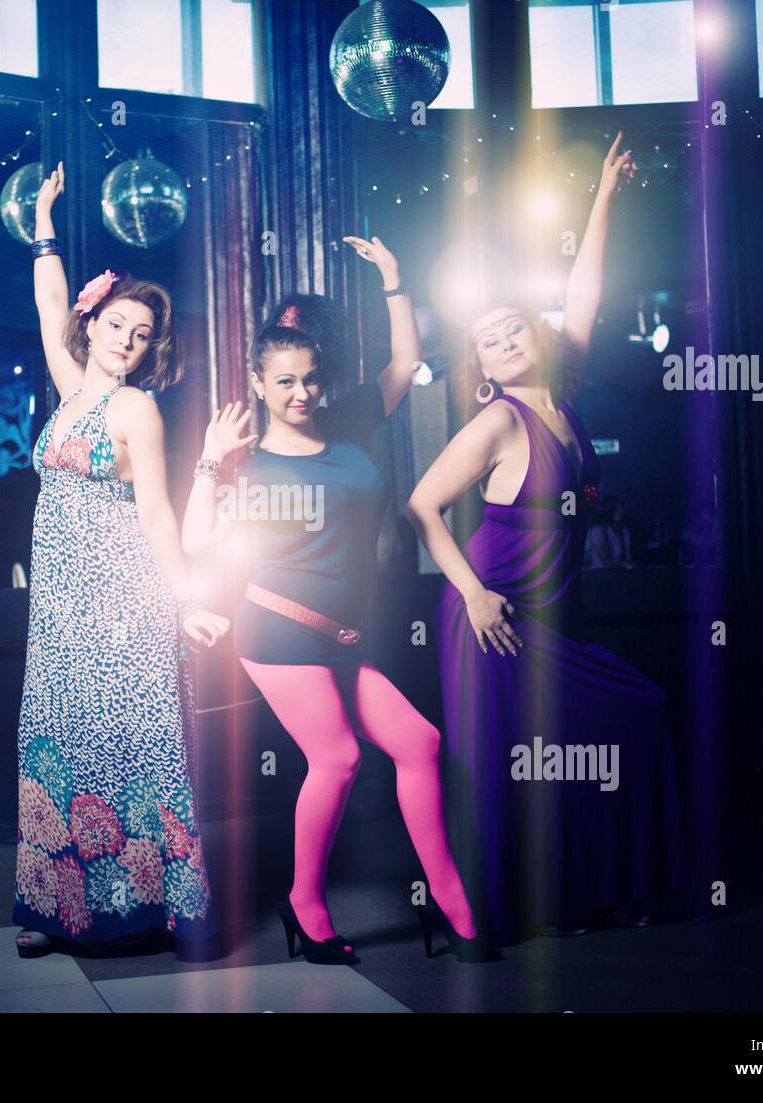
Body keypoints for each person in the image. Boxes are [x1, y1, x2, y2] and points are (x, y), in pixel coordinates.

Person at [405, 133, 685, 944]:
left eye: (513, 327)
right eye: (488, 340)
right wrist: (472, 594)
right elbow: (421, 506)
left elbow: (585, 293)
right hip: (492, 616)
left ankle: (597, 895)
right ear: (484, 370)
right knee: (516, 766)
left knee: (607, 736)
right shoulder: (496, 421)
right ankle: (515, 911)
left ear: (538, 334)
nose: (504, 340)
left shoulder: (568, 400)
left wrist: (604, 196)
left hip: (556, 615)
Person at [182, 238, 492, 964]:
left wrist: (394, 279)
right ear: (259, 384)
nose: (301, 393)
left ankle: (447, 899)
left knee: (420, 742)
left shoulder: (348, 424)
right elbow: (196, 541)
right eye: (285, 382)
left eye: (310, 379)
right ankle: (307, 902)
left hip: (346, 635)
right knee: (340, 756)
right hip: (276, 630)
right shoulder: (249, 465)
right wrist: (208, 460)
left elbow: (405, 365)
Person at [13, 163, 229, 959]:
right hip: (59, 608)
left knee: (133, 749)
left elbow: (158, 515)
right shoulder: (71, 391)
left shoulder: (136, 408)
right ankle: (59, 907)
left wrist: (186, 600)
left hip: (120, 604)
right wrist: (43, 223)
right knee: (61, 742)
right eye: (116, 324)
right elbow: (48, 306)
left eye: (140, 334)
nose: (127, 340)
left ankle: (161, 908)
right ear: (94, 321)